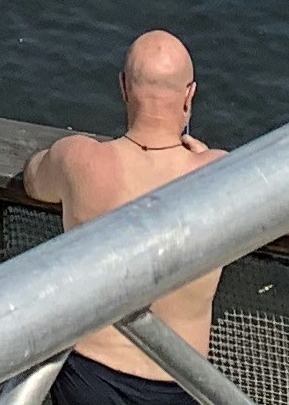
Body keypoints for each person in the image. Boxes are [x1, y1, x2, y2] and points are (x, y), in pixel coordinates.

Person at [19, 35, 227, 405]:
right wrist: (212, 157)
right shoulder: (218, 176)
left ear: (123, 87)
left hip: (88, 375)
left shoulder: (79, 160)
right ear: (189, 95)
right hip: (180, 381)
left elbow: (33, 179)